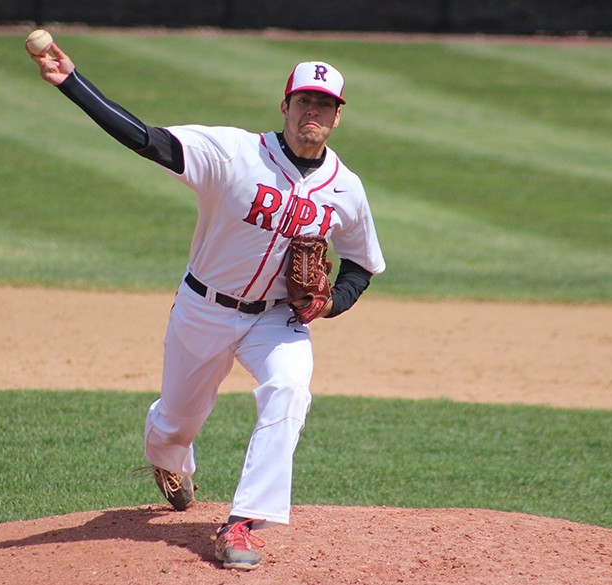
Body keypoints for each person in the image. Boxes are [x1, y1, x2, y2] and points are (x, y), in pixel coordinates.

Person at [27, 36, 385, 571]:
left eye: (325, 104)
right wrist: (73, 84)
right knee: (176, 422)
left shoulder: (346, 189)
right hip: (203, 310)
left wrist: (331, 305)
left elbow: (361, 264)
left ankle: (242, 522)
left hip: (276, 319)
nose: (314, 111)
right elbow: (149, 141)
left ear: (337, 117)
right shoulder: (234, 153)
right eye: (305, 101)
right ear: (285, 105)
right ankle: (170, 461)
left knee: (289, 388)